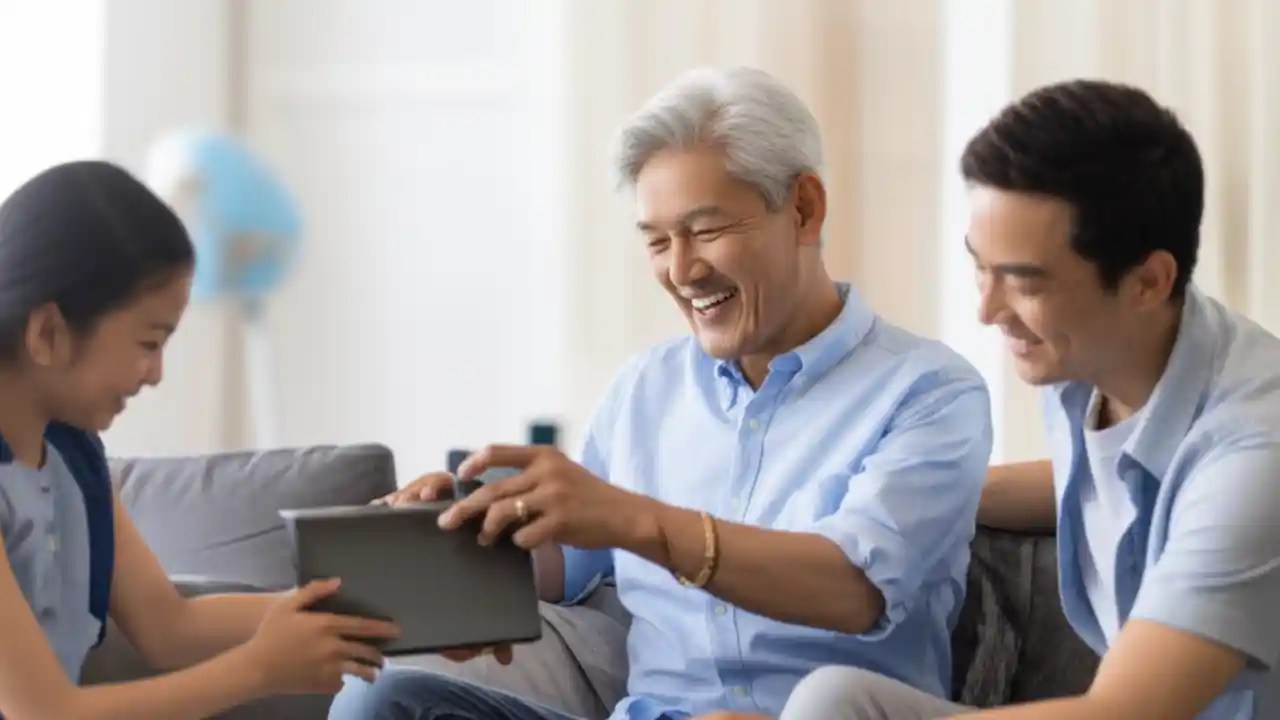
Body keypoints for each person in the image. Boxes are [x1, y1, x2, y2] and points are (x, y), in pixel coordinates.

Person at [328, 66, 992, 720]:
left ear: (803, 208)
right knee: (386, 701)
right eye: (656, 241)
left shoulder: (929, 392)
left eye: (706, 231)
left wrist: (636, 520)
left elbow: (854, 589)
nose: (681, 270)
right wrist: (462, 532)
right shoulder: (647, 388)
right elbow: (567, 559)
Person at [742, 79, 1280, 720]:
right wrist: (929, 495)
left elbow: (1124, 712)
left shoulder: (1256, 453)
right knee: (833, 697)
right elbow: (1116, 480)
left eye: (1024, 282)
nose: (988, 309)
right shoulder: (1104, 356)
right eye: (980, 267)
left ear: (1148, 280)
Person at [0, 161, 400, 719]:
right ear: (47, 333)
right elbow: (41, 713)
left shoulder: (72, 455)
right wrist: (258, 669)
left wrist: (399, 614)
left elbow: (170, 625)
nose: (156, 373)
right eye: (148, 342)